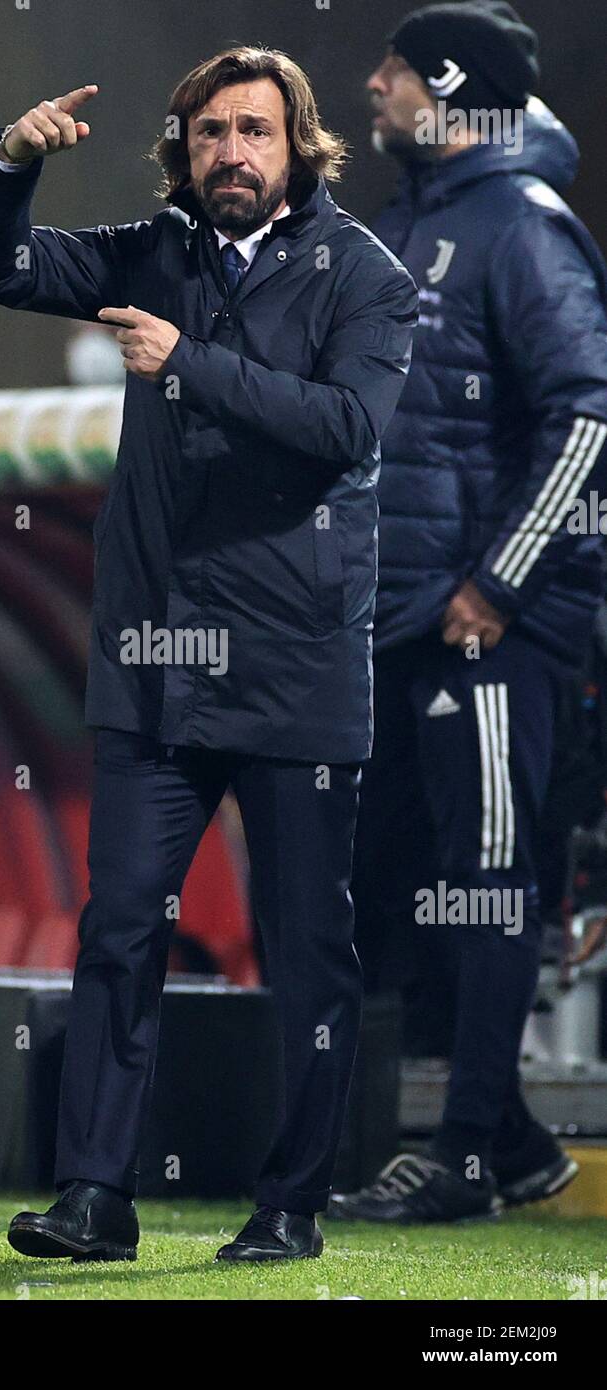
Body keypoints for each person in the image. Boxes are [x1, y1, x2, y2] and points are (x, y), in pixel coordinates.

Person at [0, 45, 418, 1263]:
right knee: (117, 927)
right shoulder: (149, 250)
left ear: (297, 145)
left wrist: (188, 364)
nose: (230, 152)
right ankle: (94, 1195)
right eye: (208, 132)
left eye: (253, 131)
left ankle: (291, 1204)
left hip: (298, 663)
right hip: (155, 662)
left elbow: (345, 427)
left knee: (305, 949)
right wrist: (8, 161)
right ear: (182, 149)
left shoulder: (365, 277)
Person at [334, 2, 607, 1223]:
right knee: (401, 881)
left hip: (491, 626)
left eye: (395, 68)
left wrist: (496, 583)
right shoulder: (408, 223)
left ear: (447, 90)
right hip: (405, 619)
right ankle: (510, 1143)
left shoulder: (521, 223)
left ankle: (459, 1158)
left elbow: (586, 420)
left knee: (485, 881)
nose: (373, 84)